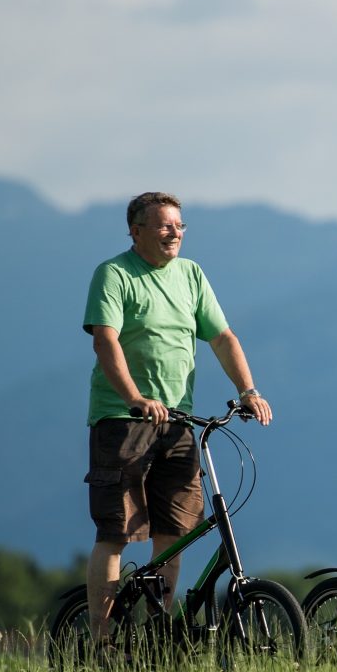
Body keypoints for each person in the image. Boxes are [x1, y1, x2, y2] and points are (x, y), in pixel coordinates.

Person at [82, 192, 272, 648]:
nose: (175, 233)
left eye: (180, 226)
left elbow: (222, 337)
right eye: (165, 226)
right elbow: (106, 342)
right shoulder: (114, 274)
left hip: (178, 422)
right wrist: (134, 397)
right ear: (136, 230)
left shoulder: (191, 275)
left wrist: (247, 391)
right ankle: (101, 641)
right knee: (117, 531)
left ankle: (159, 631)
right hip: (122, 419)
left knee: (175, 532)